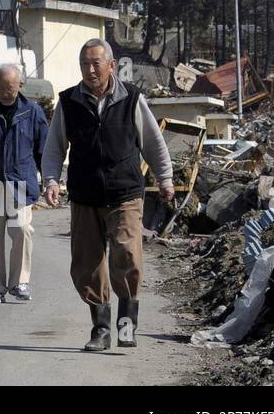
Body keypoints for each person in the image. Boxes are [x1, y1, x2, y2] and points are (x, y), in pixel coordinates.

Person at [41, 38, 174, 351]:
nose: (90, 70)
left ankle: (126, 326)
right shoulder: (69, 102)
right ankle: (100, 329)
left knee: (127, 254)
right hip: (85, 194)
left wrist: (165, 178)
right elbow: (54, 147)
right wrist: (50, 180)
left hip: (124, 191)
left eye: (96, 63)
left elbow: (153, 143)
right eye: (84, 64)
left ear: (112, 65)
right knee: (87, 262)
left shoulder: (131, 99)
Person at [0, 63, 48, 303]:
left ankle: (20, 282)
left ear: (21, 85)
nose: (6, 92)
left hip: (20, 184)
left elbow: (43, 150)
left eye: (11, 87)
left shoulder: (33, 112)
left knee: (22, 230)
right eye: (2, 87)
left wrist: (49, 179)